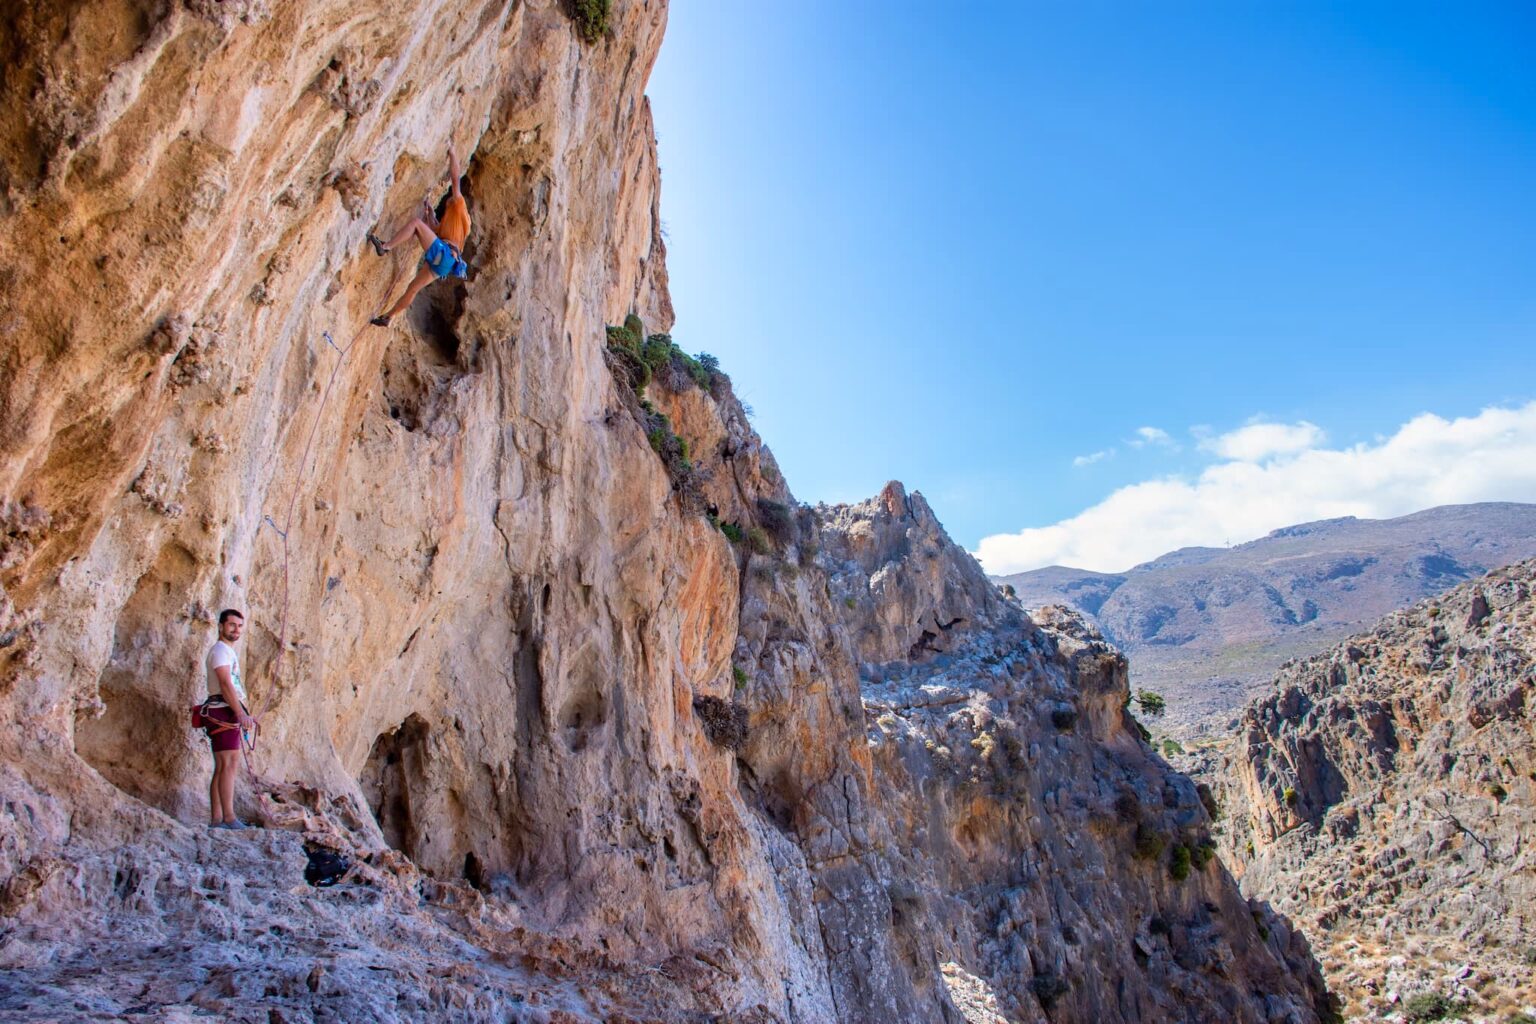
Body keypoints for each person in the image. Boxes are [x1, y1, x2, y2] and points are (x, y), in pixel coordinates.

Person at [367, 145, 471, 327]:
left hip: (446, 254)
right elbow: (434, 230)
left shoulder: (458, 206)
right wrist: (430, 212)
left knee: (415, 224)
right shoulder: (452, 224)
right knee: (412, 288)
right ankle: (389, 317)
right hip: (445, 264)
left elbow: (456, 179)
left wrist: (453, 152)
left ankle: (385, 247)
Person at [202, 608, 257, 830]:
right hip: (222, 710)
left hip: (223, 709)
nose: (236, 630)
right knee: (228, 764)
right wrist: (240, 713)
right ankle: (228, 818)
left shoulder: (226, 651)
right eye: (232, 625)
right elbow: (225, 684)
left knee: (223, 765)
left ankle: (218, 818)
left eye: (239, 626)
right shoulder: (220, 651)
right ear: (221, 626)